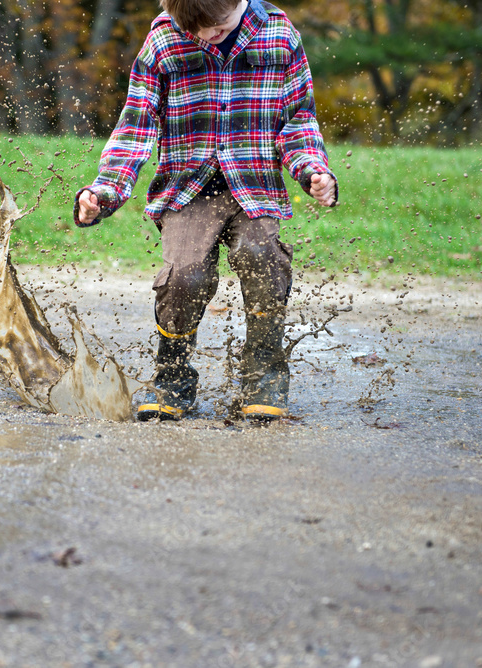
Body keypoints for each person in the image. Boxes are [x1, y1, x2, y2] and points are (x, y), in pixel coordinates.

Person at [74, 0, 337, 423]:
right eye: (193, 29)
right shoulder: (163, 40)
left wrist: (312, 170)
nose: (205, 36)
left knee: (262, 257)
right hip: (187, 190)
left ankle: (264, 370)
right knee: (184, 275)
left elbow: (299, 118)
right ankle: (173, 375)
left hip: (254, 186)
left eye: (216, 27)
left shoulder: (279, 34)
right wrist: (105, 191)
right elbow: (136, 126)